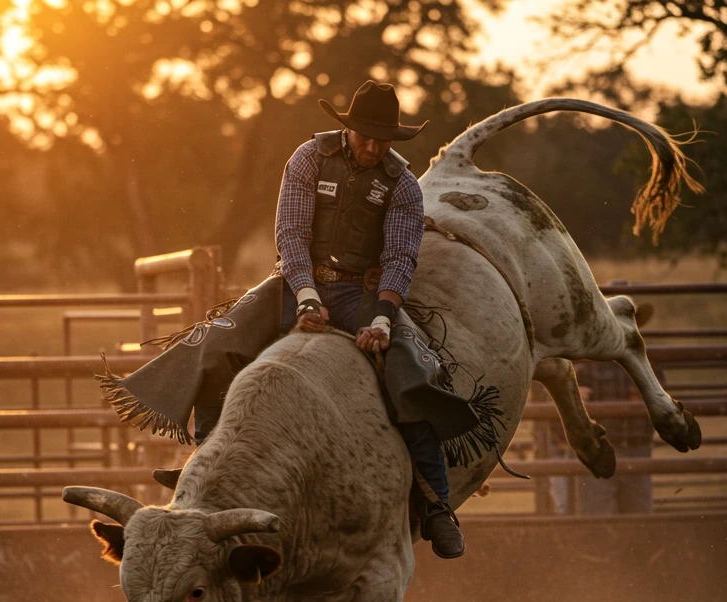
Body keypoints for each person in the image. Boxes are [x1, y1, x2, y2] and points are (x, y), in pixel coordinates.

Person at [100, 81, 487, 558]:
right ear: (348, 128)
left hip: (363, 292)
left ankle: (436, 504)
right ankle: (204, 461)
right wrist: (305, 295)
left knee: (410, 372)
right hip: (296, 280)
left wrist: (384, 317)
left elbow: (401, 255)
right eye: (365, 134)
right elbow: (291, 232)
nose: (373, 146)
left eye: (383, 138)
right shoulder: (309, 158)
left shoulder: (402, 185)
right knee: (221, 343)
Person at [572, 302, 660, 515]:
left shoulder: (647, 360)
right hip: (605, 448)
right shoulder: (587, 361)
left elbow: (661, 402)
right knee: (600, 514)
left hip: (634, 447)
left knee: (637, 513)